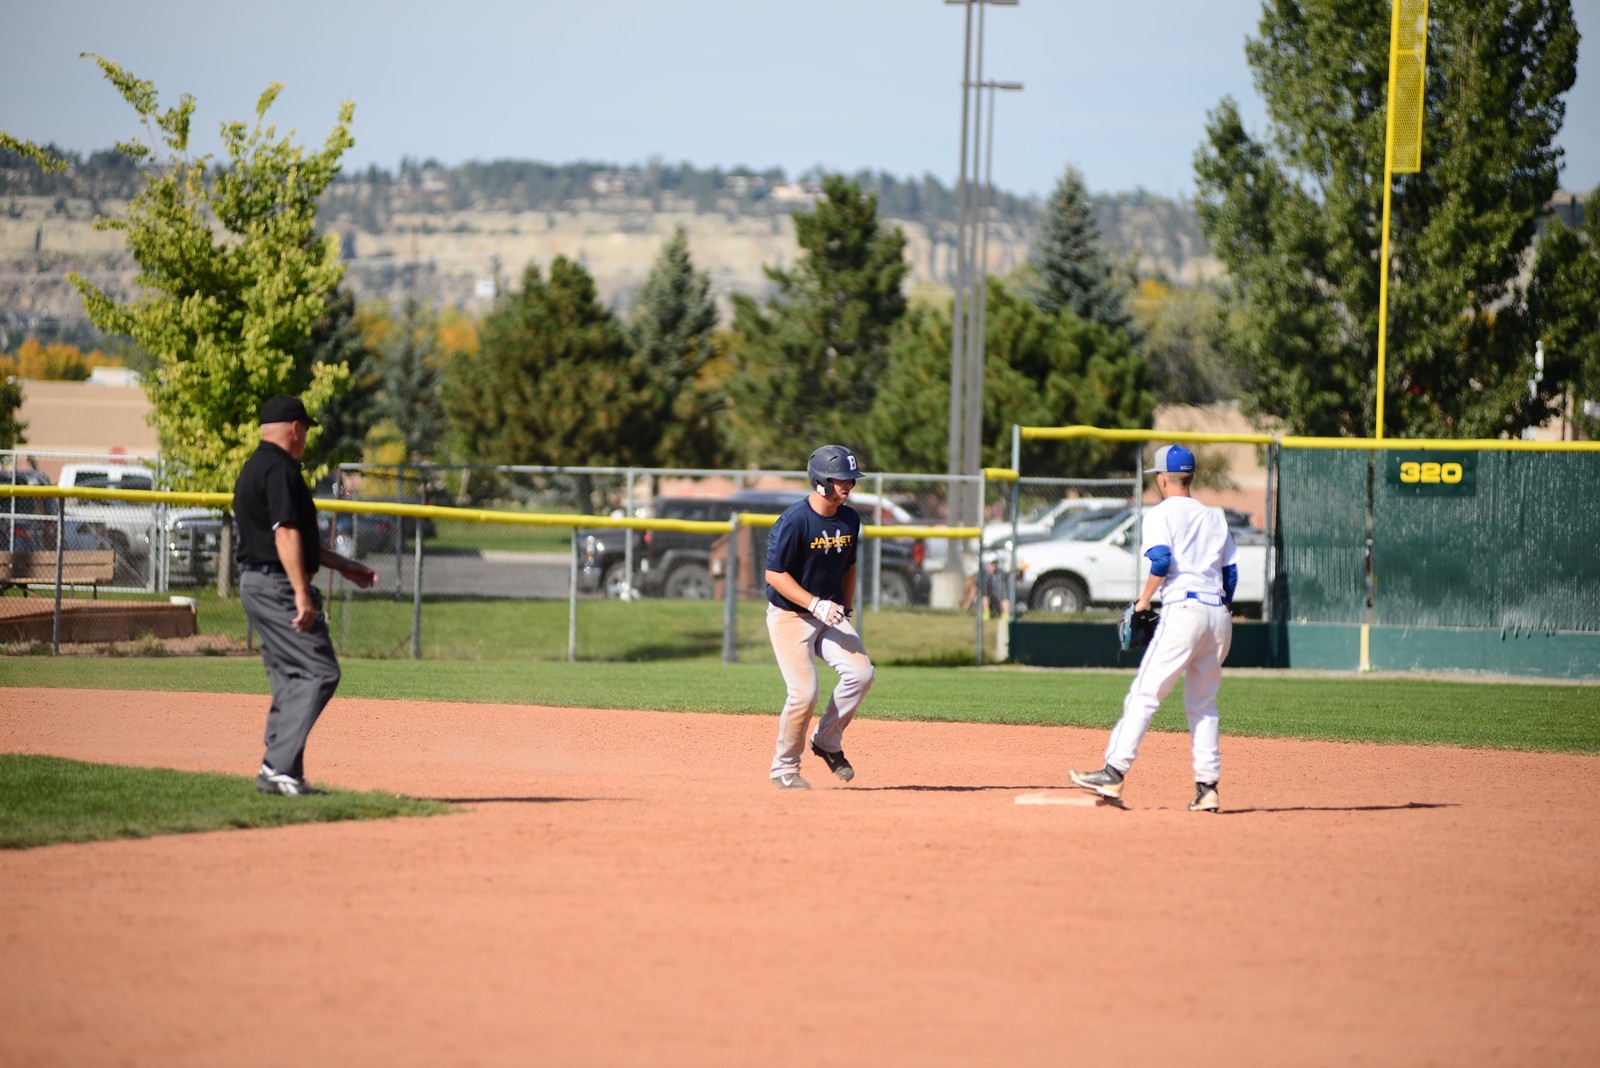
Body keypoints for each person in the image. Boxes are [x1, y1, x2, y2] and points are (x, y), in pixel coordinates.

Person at [1068, 444, 1237, 812]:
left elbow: (1161, 560)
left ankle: (1113, 772)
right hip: (1218, 615)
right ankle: (1207, 788)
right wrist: (1222, 609)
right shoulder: (1215, 517)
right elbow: (1231, 573)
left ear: (1162, 478)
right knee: (1203, 704)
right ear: (1190, 477)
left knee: (1145, 695)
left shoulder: (1161, 513)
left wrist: (1144, 600)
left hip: (1184, 610)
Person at [234, 394, 378, 796]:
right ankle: (278, 767)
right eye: (305, 430)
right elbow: (285, 534)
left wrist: (341, 565)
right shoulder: (281, 470)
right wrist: (301, 593)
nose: (306, 438)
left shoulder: (253, 468)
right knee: (319, 671)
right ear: (295, 427)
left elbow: (281, 538)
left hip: (257, 582)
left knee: (291, 676)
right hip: (278, 584)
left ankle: (280, 770)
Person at [763, 445, 876, 789]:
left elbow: (850, 566)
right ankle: (784, 768)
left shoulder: (850, 518)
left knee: (861, 673)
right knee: (804, 693)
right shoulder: (795, 520)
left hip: (830, 613)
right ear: (821, 482)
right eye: (842, 479)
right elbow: (775, 575)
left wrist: (847, 606)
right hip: (791, 615)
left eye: (851, 480)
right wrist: (814, 604)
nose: (849, 486)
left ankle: (826, 741)